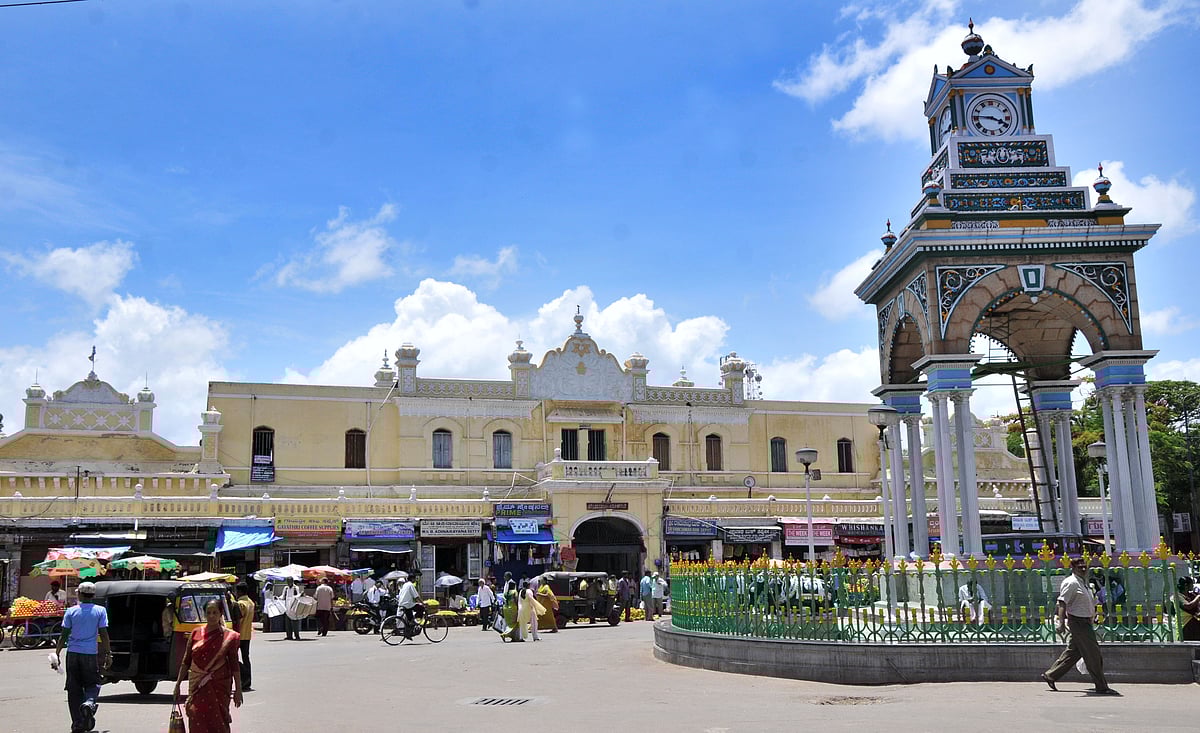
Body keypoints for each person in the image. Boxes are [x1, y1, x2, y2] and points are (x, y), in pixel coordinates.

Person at [1041, 557, 1115, 695]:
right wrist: (1061, 622)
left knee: (1073, 653)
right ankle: (1101, 686)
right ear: (1073, 568)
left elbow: (1090, 601)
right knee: (1093, 654)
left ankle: (1051, 675)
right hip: (1078, 622)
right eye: (1079, 566)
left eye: (1084, 566)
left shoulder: (1083, 583)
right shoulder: (1071, 583)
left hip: (1085, 621)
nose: (1083, 568)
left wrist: (1098, 612)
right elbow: (1062, 602)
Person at [174, 599, 243, 733]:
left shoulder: (229, 637)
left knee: (218, 722)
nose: (211, 616)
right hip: (197, 687)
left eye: (215, 612)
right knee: (195, 717)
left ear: (220, 614)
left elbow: (235, 665)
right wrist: (177, 685)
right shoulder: (195, 633)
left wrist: (238, 689)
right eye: (208, 612)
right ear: (204, 614)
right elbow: (186, 661)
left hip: (219, 686)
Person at [53, 581, 110, 733]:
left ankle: (77, 723)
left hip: (73, 654)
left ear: (80, 594)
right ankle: (89, 703)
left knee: (74, 689)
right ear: (93, 595)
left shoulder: (71, 611)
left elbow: (63, 635)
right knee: (92, 683)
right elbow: (104, 634)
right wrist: (108, 654)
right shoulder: (100, 611)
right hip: (90, 653)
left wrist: (57, 653)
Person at [234, 583, 255, 692]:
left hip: (238, 634)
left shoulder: (240, 604)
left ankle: (244, 677)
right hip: (247, 634)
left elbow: (238, 620)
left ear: (240, 592)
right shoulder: (251, 602)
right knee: (246, 658)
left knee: (234, 658)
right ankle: (248, 680)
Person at [1176, 576, 1200, 641]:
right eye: (1191, 584)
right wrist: (1198, 598)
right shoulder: (1178, 596)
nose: (1193, 586)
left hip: (1196, 627)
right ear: (1186, 585)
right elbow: (1188, 606)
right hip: (1185, 626)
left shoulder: (1192, 595)